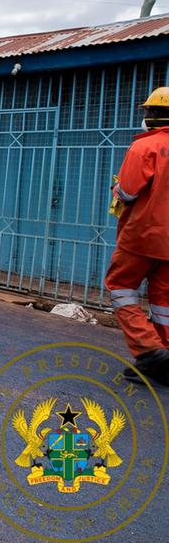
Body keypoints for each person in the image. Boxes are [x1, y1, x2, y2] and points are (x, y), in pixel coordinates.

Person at [105, 86, 169, 384]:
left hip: (142, 235)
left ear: (156, 115)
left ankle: (150, 351)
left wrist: (116, 189)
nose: (146, 117)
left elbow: (128, 192)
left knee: (120, 287)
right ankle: (163, 360)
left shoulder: (145, 147)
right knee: (164, 301)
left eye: (149, 112)